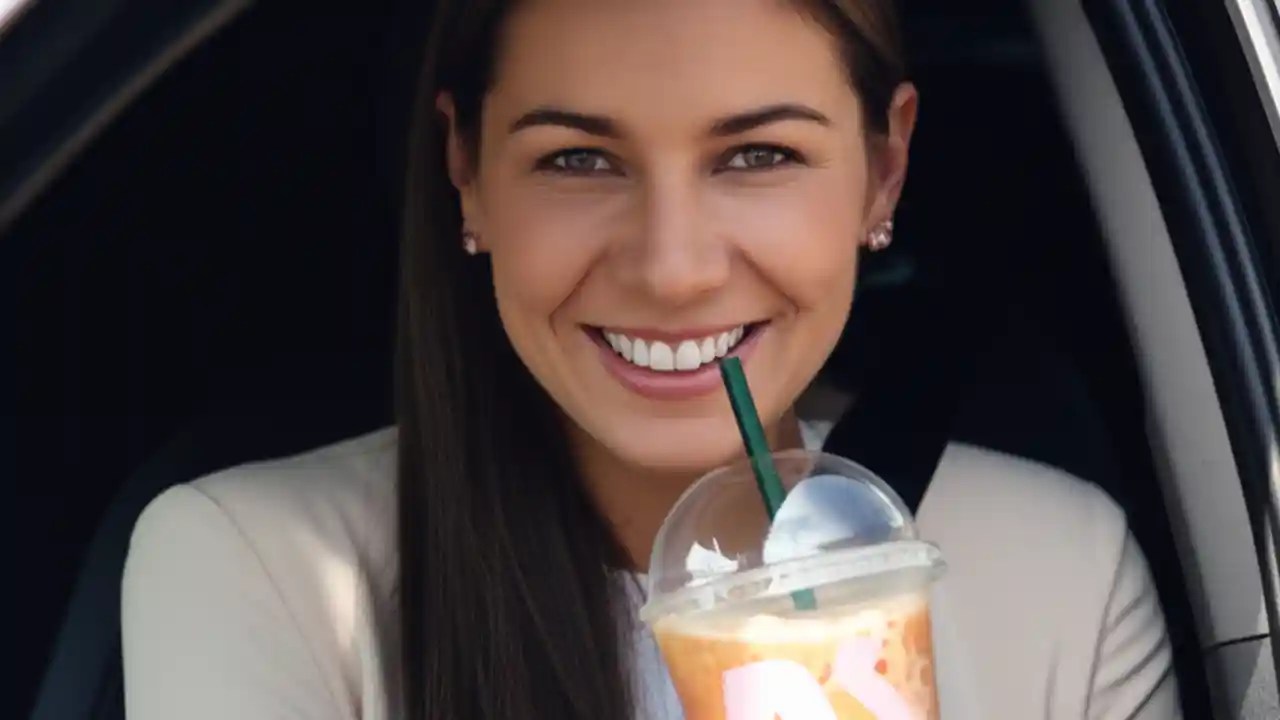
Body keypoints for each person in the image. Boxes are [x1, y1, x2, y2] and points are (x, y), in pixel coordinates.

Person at [120, 0, 1181, 718]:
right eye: (577, 159)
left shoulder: (1059, 572)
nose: (671, 269)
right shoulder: (259, 568)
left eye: (756, 156)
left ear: (881, 169)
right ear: (468, 171)